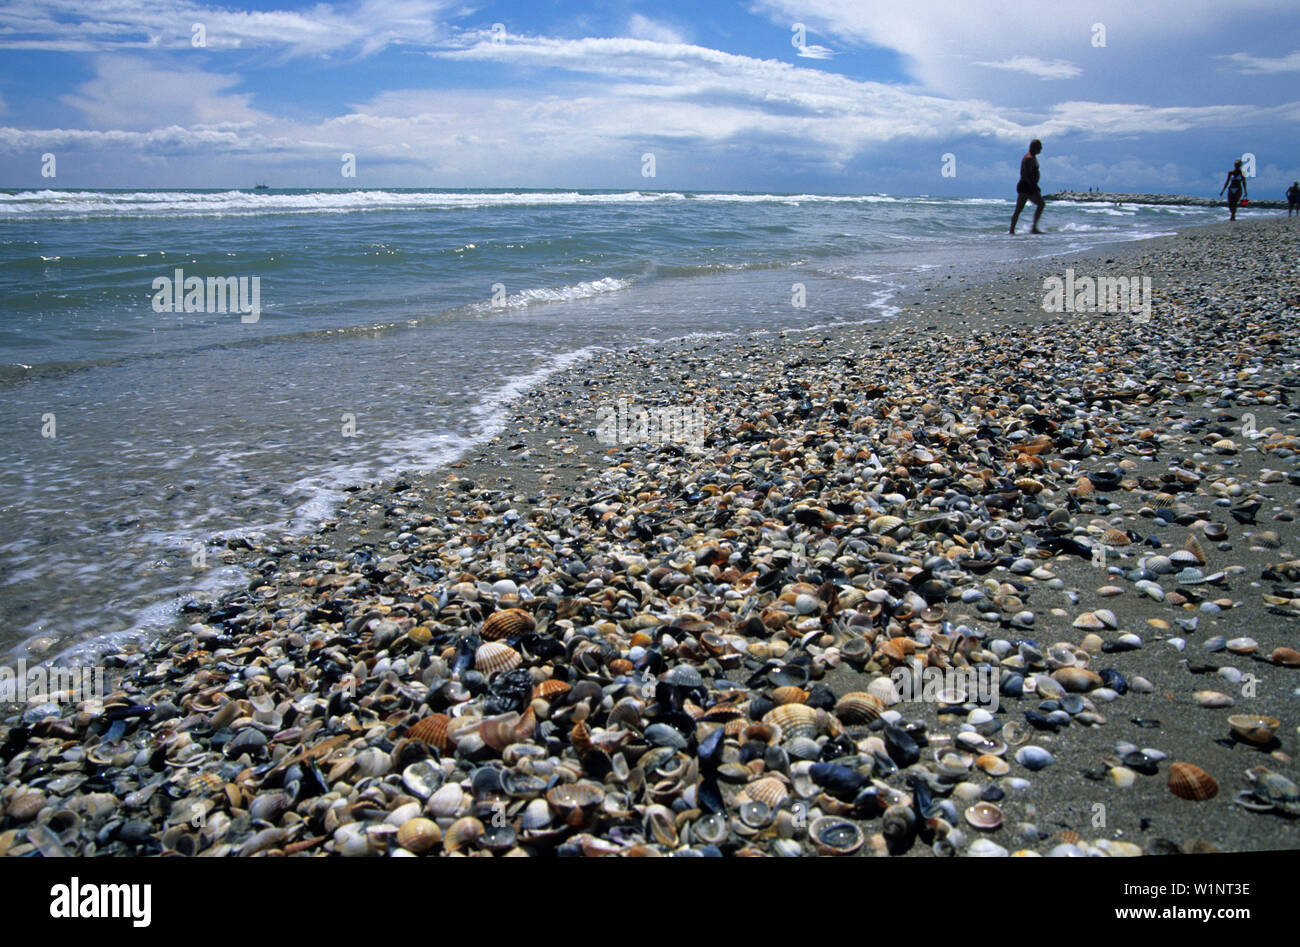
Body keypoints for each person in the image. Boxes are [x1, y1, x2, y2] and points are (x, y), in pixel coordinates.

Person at [1010, 139, 1044, 234]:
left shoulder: (1032, 157)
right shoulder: (1029, 158)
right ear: (1034, 147)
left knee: (1019, 209)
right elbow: (1025, 174)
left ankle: (1012, 230)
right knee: (1040, 204)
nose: (1041, 149)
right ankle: (1032, 228)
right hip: (1026, 186)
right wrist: (1034, 186)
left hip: (1027, 186)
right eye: (1039, 147)